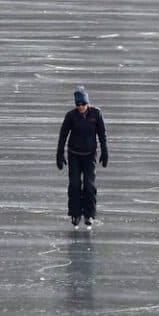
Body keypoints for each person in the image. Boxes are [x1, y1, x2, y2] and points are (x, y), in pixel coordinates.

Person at [57, 88, 108, 230]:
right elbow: (63, 135)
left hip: (90, 155)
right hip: (74, 154)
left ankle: (89, 214)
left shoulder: (96, 114)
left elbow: (102, 134)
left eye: (83, 104)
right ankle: (75, 214)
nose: (80, 107)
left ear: (87, 103)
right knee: (74, 184)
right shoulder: (71, 116)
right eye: (78, 104)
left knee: (89, 185)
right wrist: (59, 153)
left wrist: (105, 151)